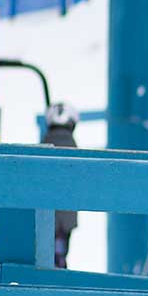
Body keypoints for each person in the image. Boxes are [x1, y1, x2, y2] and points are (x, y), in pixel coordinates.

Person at [42, 102, 81, 268]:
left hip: (46, 213)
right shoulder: (74, 147)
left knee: (46, 252)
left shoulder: (44, 145)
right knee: (61, 253)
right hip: (66, 216)